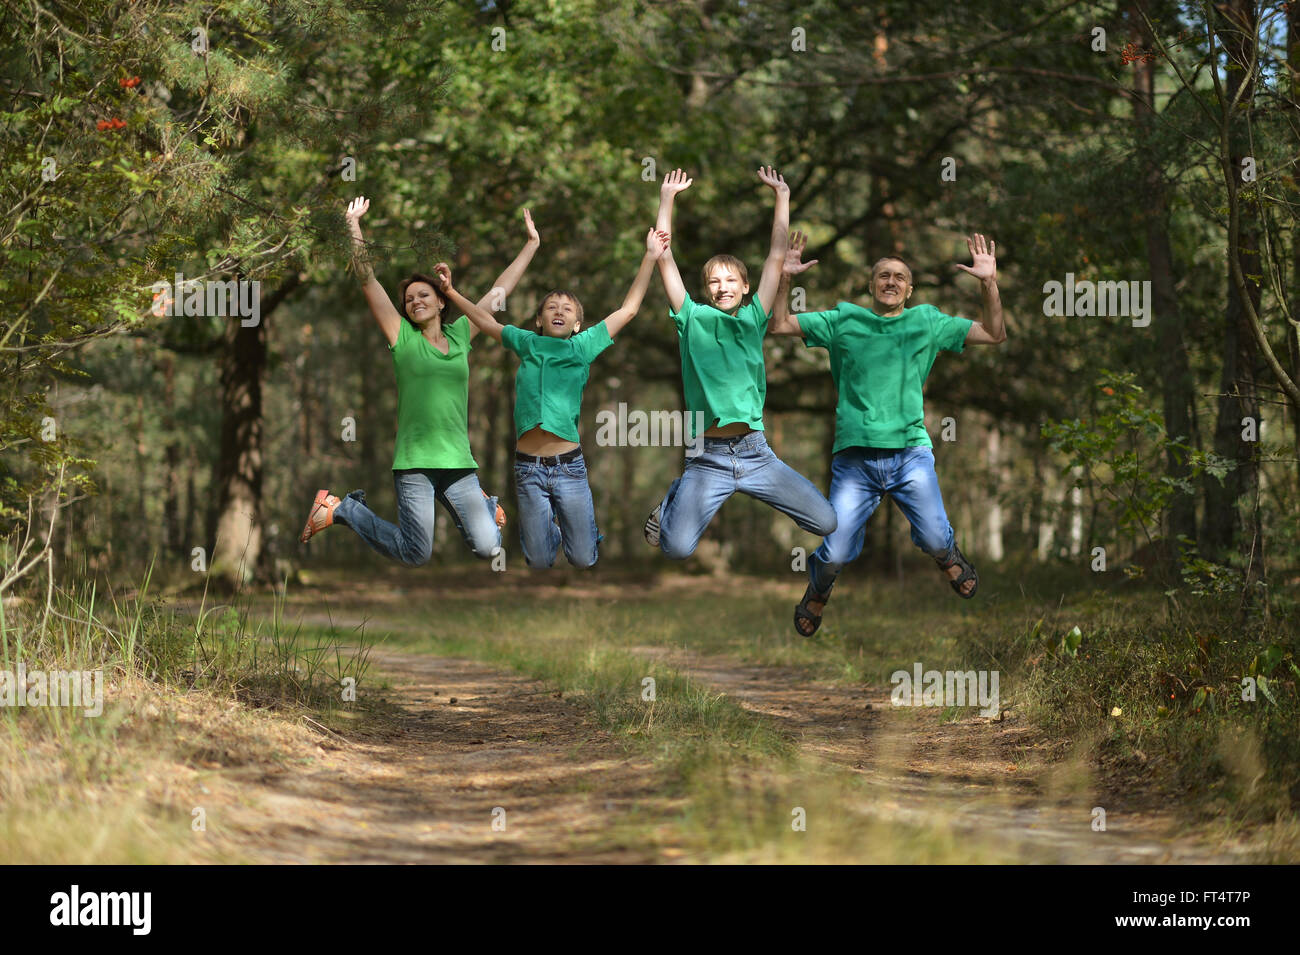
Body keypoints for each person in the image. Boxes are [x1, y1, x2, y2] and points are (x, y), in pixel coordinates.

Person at [768, 230, 1005, 636]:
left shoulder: (927, 321)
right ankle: (819, 590)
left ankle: (947, 553)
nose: (891, 281)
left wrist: (988, 282)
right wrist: (785, 276)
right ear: (871, 285)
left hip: (910, 453)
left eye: (899, 277)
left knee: (933, 538)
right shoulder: (844, 319)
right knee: (836, 550)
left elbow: (993, 332)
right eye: (883, 275)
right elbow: (781, 324)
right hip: (855, 460)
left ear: (909, 290)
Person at [297, 196, 537, 566]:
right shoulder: (402, 339)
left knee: (490, 548)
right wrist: (353, 225)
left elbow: (498, 293)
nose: (414, 302)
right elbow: (367, 278)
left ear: (442, 302)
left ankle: (486, 508)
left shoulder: (461, 335)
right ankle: (343, 510)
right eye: (408, 299)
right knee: (417, 553)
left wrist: (531, 245)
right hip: (415, 464)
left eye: (423, 294)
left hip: (458, 462)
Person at [643, 168, 837, 559]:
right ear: (706, 289)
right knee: (676, 548)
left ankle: (686, 496)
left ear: (745, 288)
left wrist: (782, 196)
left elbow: (776, 255)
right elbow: (662, 256)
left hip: (755, 453)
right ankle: (674, 499)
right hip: (706, 455)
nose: (723, 287)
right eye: (714, 281)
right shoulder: (691, 317)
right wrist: (666, 199)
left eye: (731, 281)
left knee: (826, 522)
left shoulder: (754, 318)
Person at [450, 228, 670, 568]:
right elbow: (483, 319)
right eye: (552, 306)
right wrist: (451, 292)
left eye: (567, 309)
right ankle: (545, 529)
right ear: (539, 320)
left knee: (583, 558)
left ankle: (577, 532)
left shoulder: (581, 347)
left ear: (578, 324)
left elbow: (627, 310)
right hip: (528, 470)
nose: (559, 310)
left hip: (569, 468)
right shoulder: (526, 343)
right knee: (538, 561)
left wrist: (650, 257)